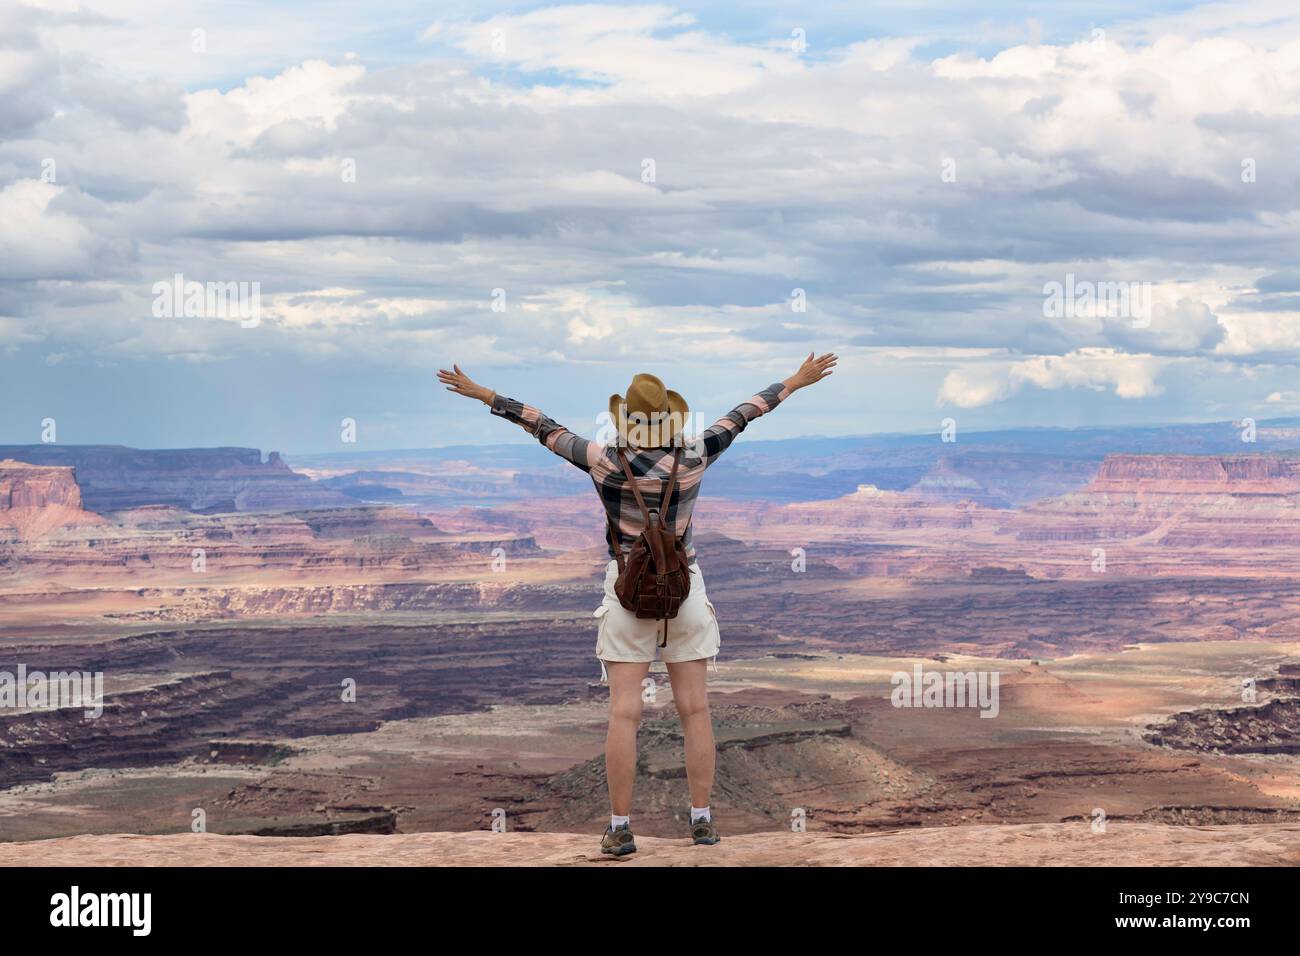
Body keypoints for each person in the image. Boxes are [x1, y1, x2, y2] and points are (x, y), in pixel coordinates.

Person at [437, 352, 837, 855]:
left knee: (624, 714)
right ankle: (702, 821)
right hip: (684, 593)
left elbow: (544, 426)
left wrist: (486, 395)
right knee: (695, 711)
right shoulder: (694, 456)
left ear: (628, 420)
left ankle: (621, 827)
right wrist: (797, 382)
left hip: (627, 595)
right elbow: (745, 412)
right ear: (669, 419)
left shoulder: (603, 460)